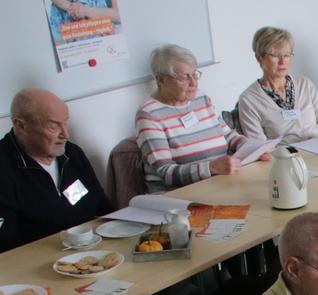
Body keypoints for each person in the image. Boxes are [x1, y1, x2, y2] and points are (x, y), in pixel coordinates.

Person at [135, 44, 270, 193]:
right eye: (184, 77)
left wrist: (252, 148)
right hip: (179, 192)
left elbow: (227, 135)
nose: (193, 83)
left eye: (194, 74)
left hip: (220, 181)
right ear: (161, 80)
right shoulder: (149, 115)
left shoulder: (201, 98)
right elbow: (165, 172)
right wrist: (211, 168)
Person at [0, 88, 109, 252]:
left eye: (65, 123)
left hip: (91, 252)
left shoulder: (72, 153)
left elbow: (102, 208)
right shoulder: (4, 168)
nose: (65, 134)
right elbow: (5, 245)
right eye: (53, 126)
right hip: (38, 260)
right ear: (21, 126)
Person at [236, 26, 318, 145]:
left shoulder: (304, 84)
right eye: (275, 55)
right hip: (286, 155)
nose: (282, 62)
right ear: (259, 57)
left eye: (287, 55)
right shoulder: (249, 100)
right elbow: (260, 148)